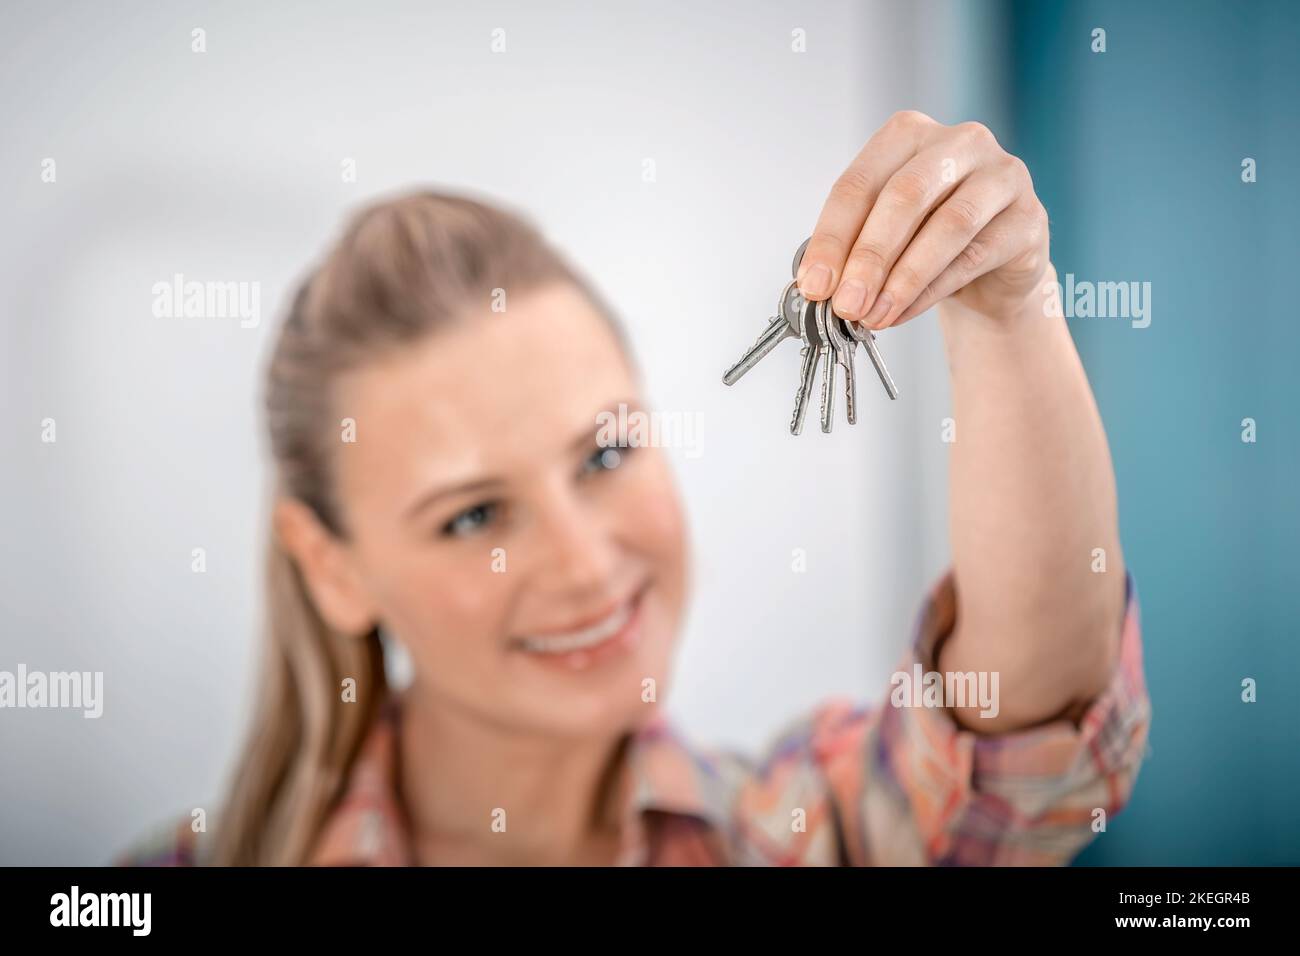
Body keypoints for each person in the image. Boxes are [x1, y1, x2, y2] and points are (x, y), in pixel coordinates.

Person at [120, 111, 1150, 867]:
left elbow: (1024, 754)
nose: (583, 562)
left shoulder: (789, 836)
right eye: (473, 515)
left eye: (605, 457)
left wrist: (1010, 308)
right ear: (332, 567)